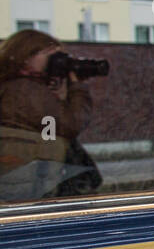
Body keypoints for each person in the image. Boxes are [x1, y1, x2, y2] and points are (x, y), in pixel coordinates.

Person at [0, 29, 97, 201]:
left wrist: (60, 99)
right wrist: (77, 88)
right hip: (27, 181)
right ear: (26, 56)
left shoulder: (16, 86)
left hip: (21, 179)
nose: (58, 62)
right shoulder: (26, 89)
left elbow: (48, 130)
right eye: (51, 56)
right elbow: (71, 124)